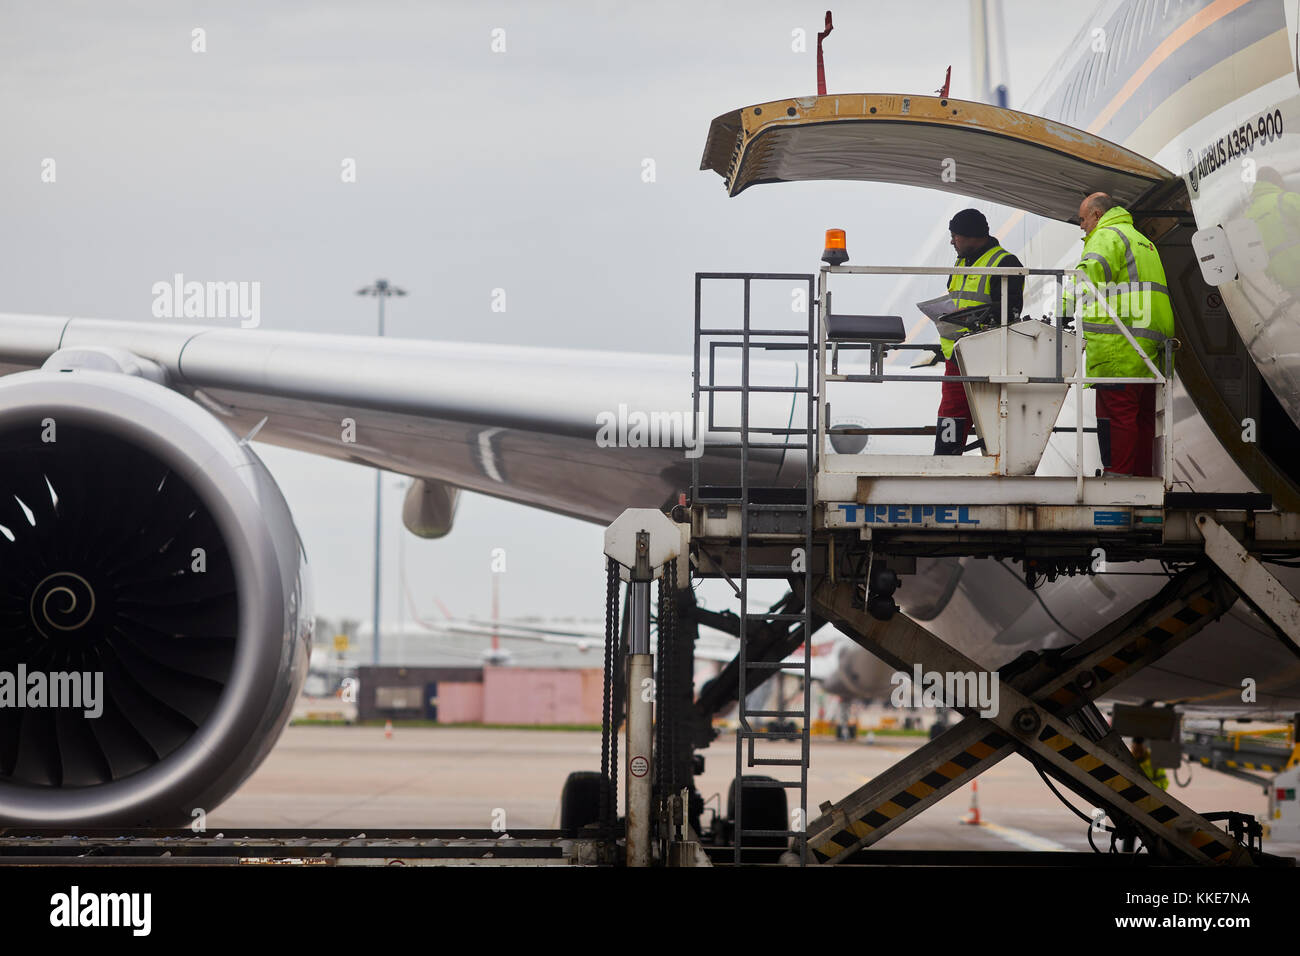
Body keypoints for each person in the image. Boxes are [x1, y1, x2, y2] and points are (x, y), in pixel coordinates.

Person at [1067, 192, 1175, 477]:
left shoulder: (1106, 236)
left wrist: (1060, 309)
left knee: (1115, 418)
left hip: (1119, 344)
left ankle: (1119, 482)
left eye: (1082, 219)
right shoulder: (1144, 242)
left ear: (1097, 215)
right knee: (1141, 420)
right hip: (1148, 346)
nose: (1081, 227)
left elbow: (1086, 277)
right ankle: (1139, 480)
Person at [934, 209, 1023, 455]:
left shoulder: (1005, 263)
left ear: (973, 236)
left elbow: (1011, 309)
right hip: (957, 354)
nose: (952, 241)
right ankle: (945, 461)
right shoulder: (961, 262)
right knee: (951, 412)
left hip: (989, 354)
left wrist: (971, 315)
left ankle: (999, 461)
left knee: (994, 415)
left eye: (956, 236)